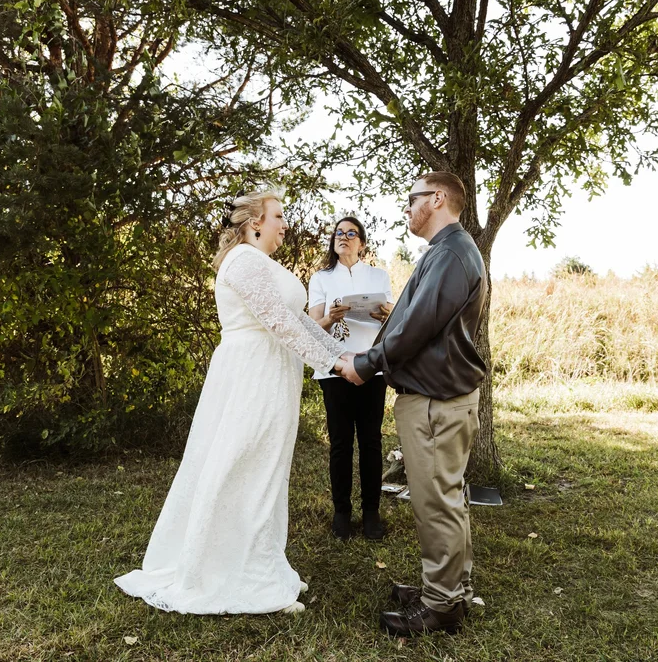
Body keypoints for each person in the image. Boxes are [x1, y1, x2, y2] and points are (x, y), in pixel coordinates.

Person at [115, 189, 349, 615]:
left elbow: (298, 320)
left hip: (273, 374)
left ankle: (263, 564)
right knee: (245, 466)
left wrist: (342, 356)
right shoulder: (242, 261)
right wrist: (334, 365)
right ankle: (238, 575)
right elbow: (278, 323)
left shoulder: (263, 263)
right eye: (278, 216)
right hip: (252, 375)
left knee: (267, 470)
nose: (283, 224)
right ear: (255, 221)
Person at [337, 172, 488, 636]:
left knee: (435, 502)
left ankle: (441, 607)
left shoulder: (452, 253)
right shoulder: (448, 252)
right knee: (446, 498)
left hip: (436, 401)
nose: (407, 208)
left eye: (412, 200)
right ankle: (446, 588)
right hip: (439, 396)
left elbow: (417, 326)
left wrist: (366, 363)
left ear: (437, 199)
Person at [308, 216, 394, 541]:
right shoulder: (321, 278)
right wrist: (330, 317)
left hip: (372, 366)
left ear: (362, 242)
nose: (343, 237)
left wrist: (388, 314)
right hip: (333, 367)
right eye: (339, 233)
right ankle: (341, 513)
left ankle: (371, 514)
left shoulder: (378, 276)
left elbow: (394, 322)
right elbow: (312, 328)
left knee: (371, 442)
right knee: (341, 444)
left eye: (351, 233)